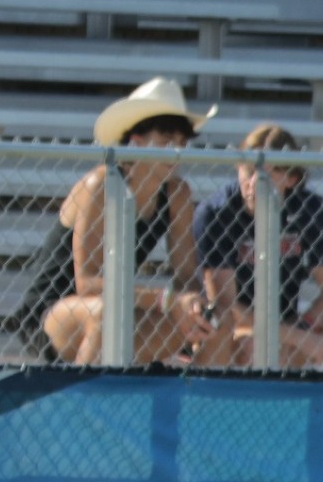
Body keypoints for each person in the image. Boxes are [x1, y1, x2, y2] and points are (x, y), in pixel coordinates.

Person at [21, 77, 235, 366]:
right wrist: (169, 301)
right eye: (165, 142)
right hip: (56, 314)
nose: (176, 153)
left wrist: (194, 305)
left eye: (181, 144)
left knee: (218, 322)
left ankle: (197, 409)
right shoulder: (101, 184)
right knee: (105, 315)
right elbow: (87, 283)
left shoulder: (177, 193)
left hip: (120, 307)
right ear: (136, 142)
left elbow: (186, 274)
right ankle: (81, 406)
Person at [193, 123, 323, 371]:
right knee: (256, 350)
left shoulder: (307, 209)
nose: (254, 183)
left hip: (289, 322)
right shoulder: (216, 214)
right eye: (248, 171)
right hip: (235, 331)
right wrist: (298, 338)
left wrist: (303, 327)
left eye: (268, 174)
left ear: (291, 178)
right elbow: (228, 309)